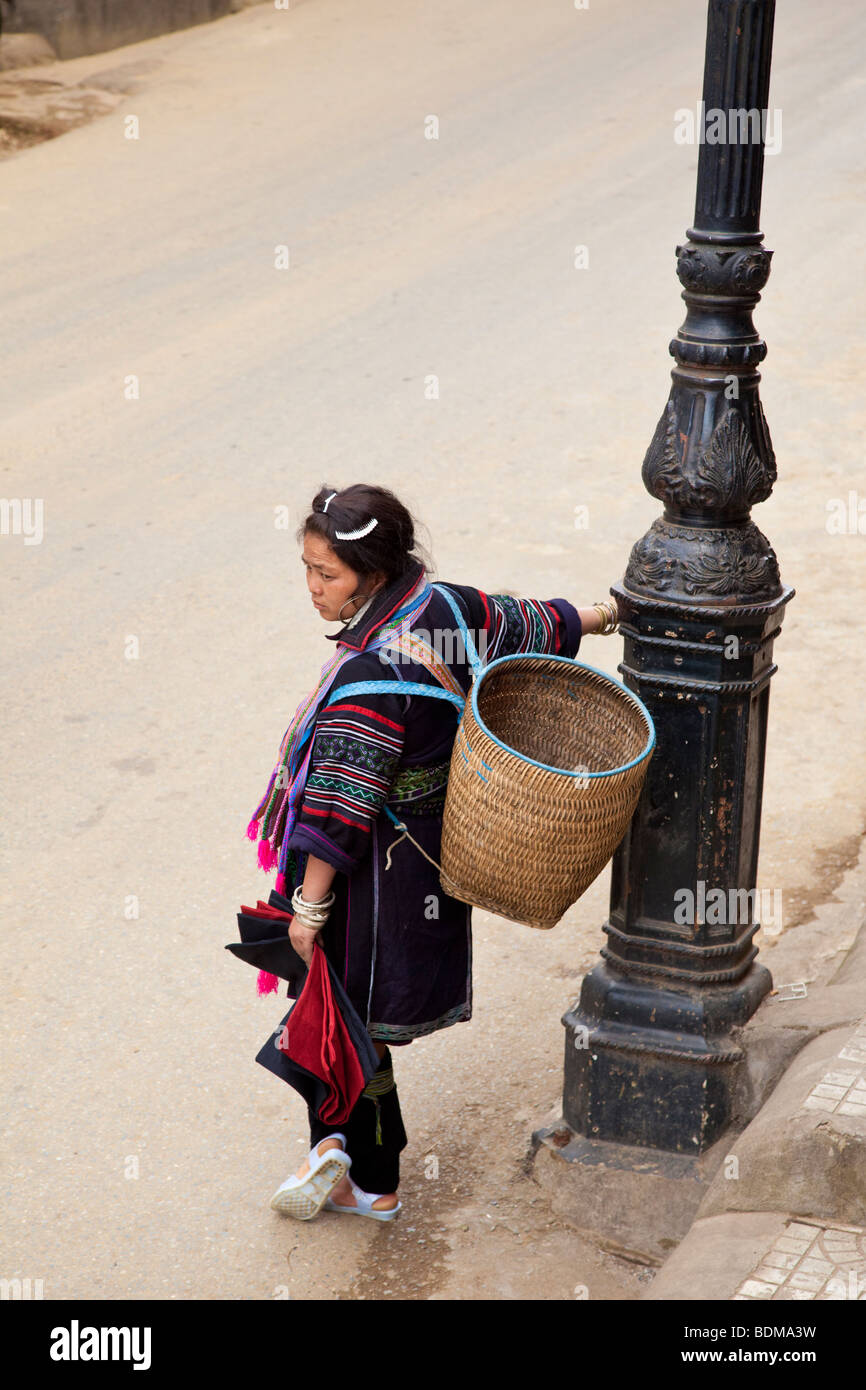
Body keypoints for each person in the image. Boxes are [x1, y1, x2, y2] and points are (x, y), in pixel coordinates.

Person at [247, 483, 619, 1221]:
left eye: (328, 575)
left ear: (374, 574)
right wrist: (609, 615)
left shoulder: (369, 673)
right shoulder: (443, 607)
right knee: (348, 1020)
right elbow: (530, 622)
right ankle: (336, 1154)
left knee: (349, 1022)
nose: (314, 590)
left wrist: (308, 906)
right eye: (309, 570)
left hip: (373, 881)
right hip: (426, 859)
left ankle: (370, 1178)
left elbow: (341, 805)